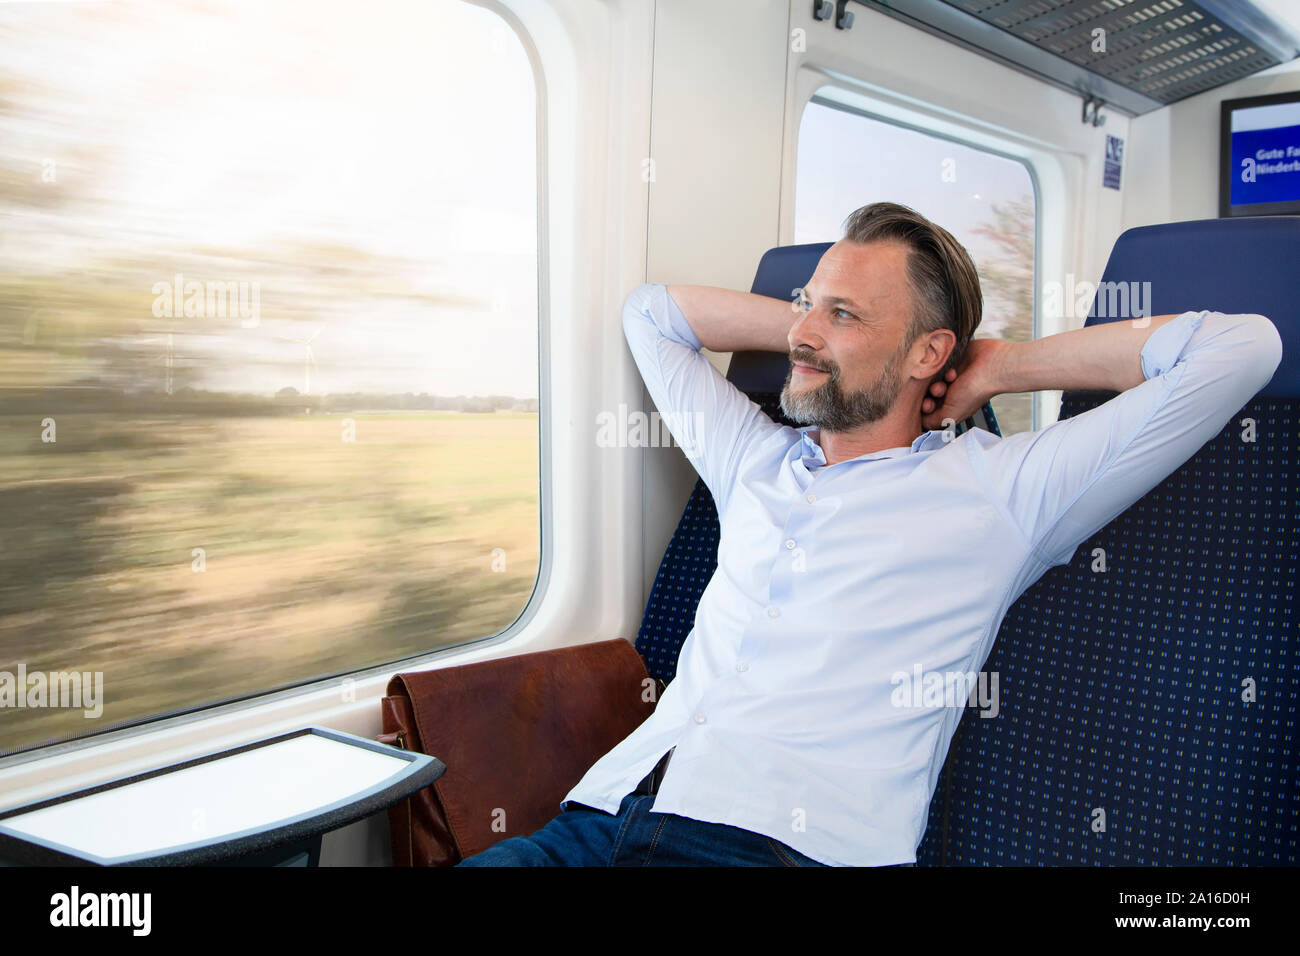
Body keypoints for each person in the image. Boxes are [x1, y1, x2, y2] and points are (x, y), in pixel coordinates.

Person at [457, 201, 1283, 867]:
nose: (802, 334)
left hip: (777, 847)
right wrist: (822, 327)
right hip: (601, 821)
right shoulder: (753, 457)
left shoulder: (999, 493)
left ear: (931, 350)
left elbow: (1240, 347)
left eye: (844, 313)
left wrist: (999, 365)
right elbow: (654, 315)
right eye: (803, 305)